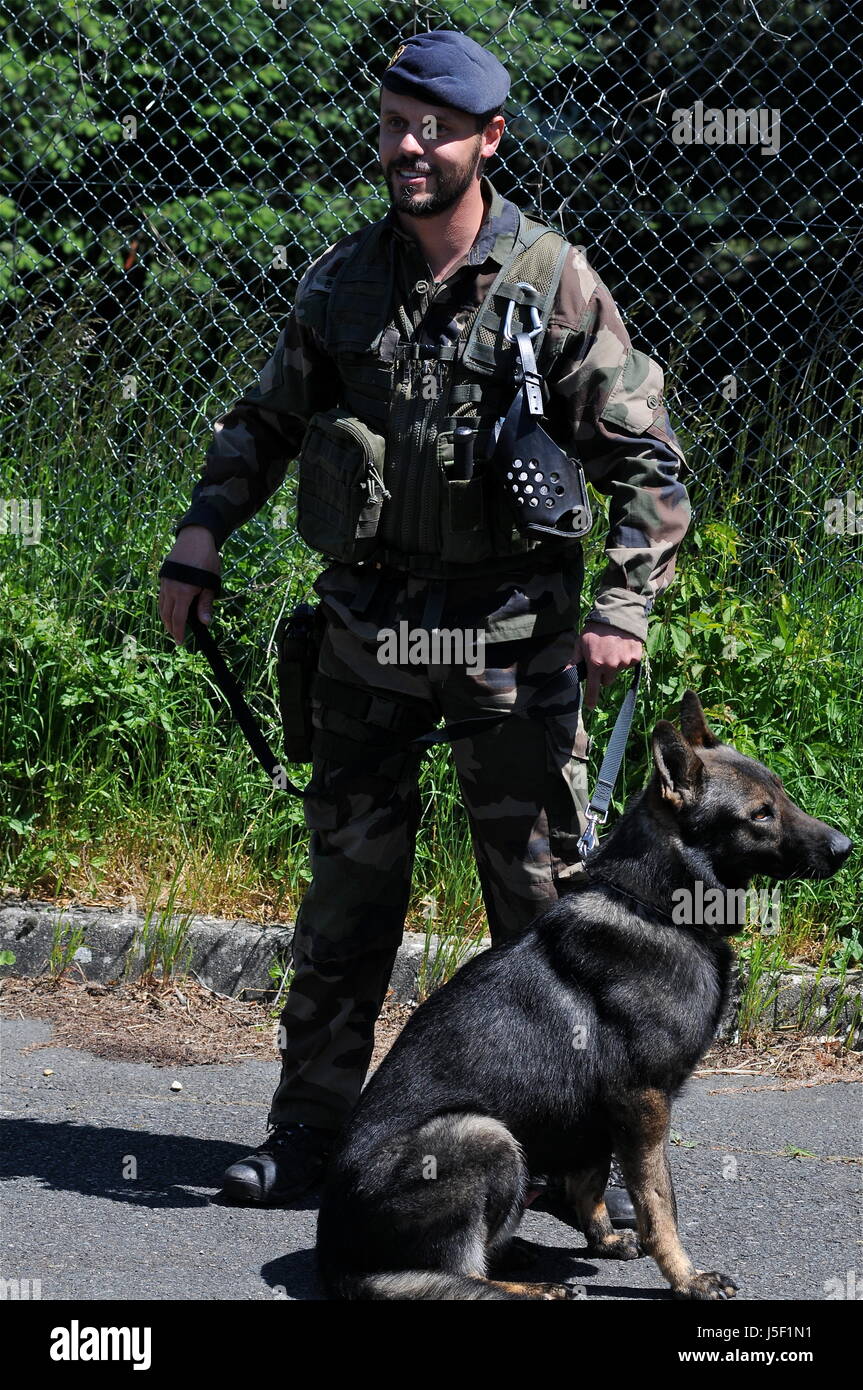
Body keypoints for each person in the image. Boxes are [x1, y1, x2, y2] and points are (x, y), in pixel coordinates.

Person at [158, 29, 691, 1222]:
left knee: (543, 917)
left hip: (509, 642)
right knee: (347, 895)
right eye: (394, 122)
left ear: (485, 139)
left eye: (432, 128)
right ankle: (308, 1136)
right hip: (366, 638)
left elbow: (649, 468)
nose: (406, 146)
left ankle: (566, 1167)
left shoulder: (550, 283)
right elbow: (262, 425)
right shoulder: (342, 283)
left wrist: (619, 605)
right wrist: (199, 540)